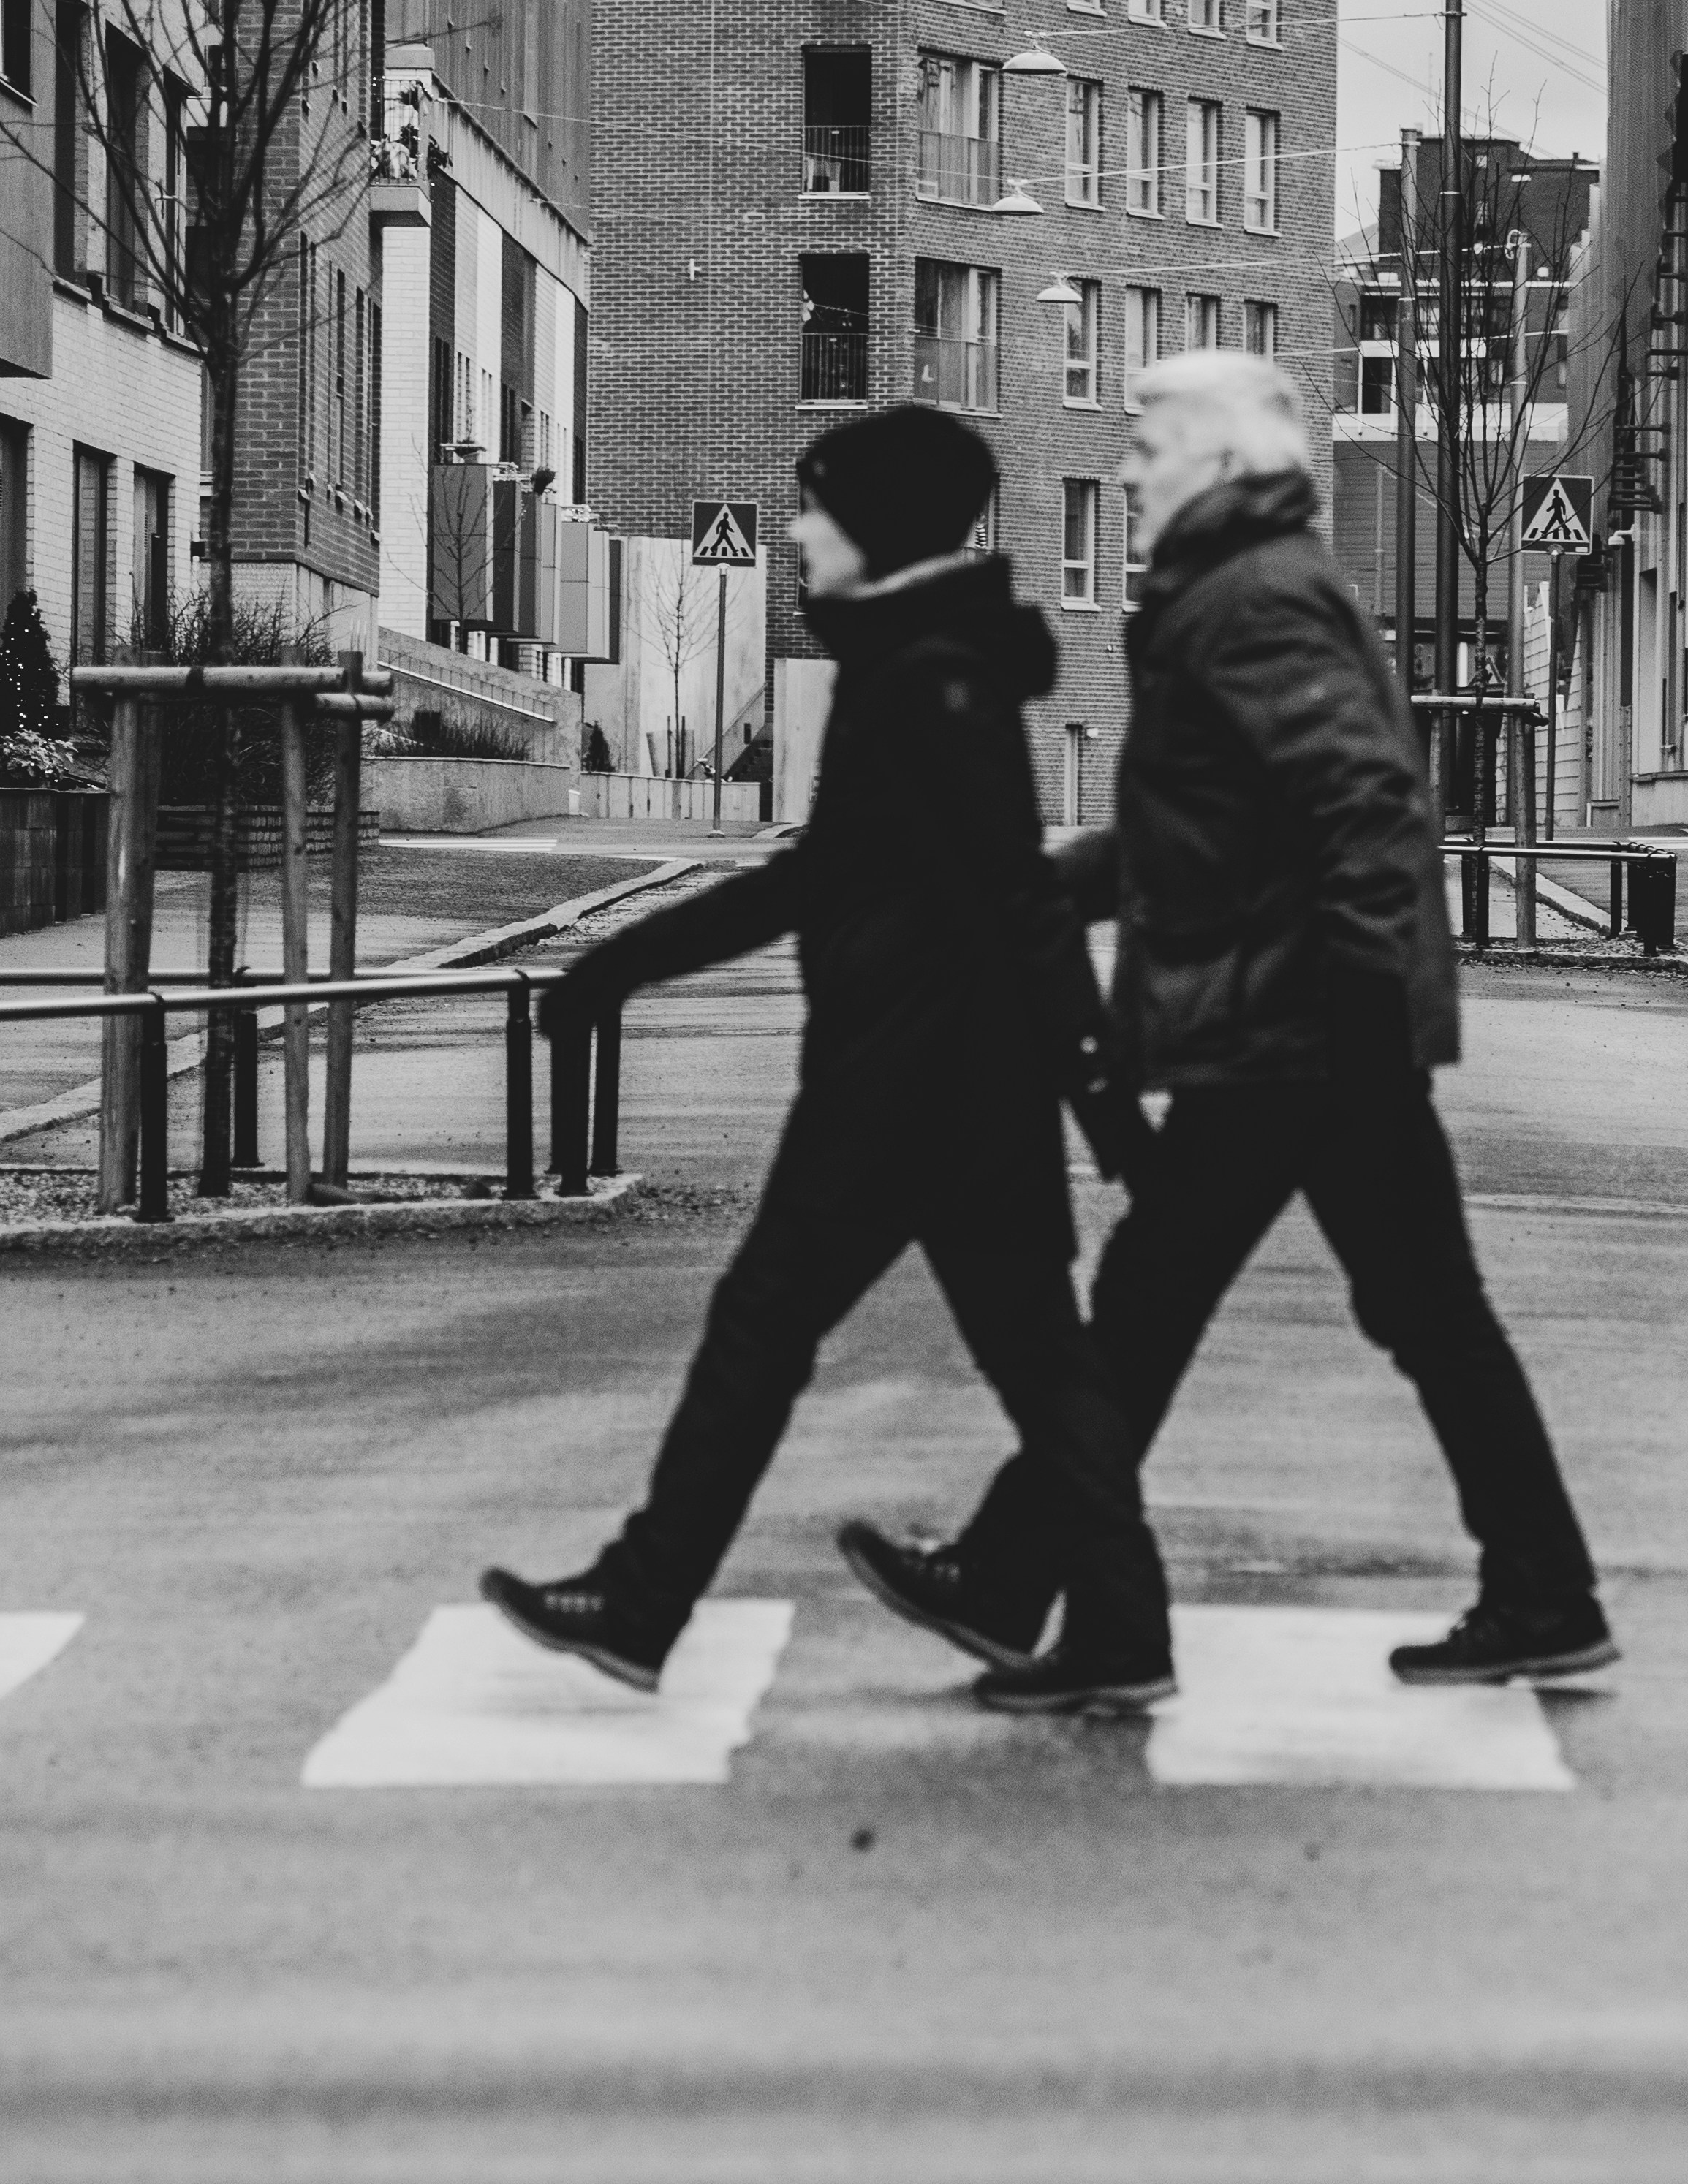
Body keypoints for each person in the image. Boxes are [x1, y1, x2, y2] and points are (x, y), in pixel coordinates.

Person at [839, 350, 1614, 1696]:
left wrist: (1365, 1020)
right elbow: (1217, 820)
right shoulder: (1240, 591)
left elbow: (1364, 807)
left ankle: (1032, 1583)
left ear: (1212, 461)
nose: (1128, 470)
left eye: (1146, 447)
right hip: (1303, 1024)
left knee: (1148, 1313)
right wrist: (1055, 884)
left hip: (1299, 1029)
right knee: (1401, 1314)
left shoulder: (1255, 600)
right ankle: (1541, 1590)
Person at [479, 402, 1177, 1718]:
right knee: (1038, 1362)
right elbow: (853, 879)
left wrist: (617, 964)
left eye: (817, 504)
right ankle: (1122, 1626)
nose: (798, 527)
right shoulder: (927, 660)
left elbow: (997, 898)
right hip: (963, 1083)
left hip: (903, 1084)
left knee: (770, 1332)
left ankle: (643, 1598)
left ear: (879, 521)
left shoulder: (924, 677)